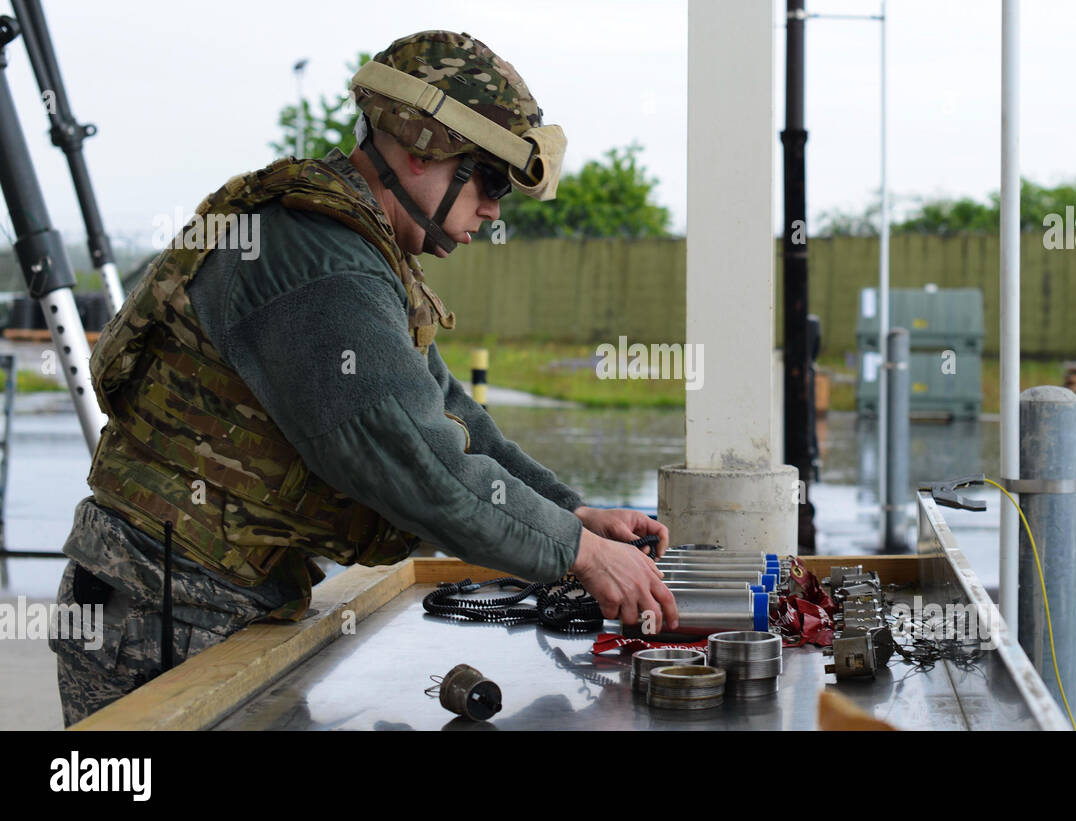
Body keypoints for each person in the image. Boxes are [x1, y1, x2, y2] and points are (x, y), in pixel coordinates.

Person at [48, 30, 677, 726]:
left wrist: (571, 512)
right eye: (490, 180)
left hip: (214, 598)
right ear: (419, 148)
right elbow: (421, 465)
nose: (494, 210)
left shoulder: (356, 247)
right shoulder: (320, 264)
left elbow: (446, 414)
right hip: (158, 611)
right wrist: (578, 553)